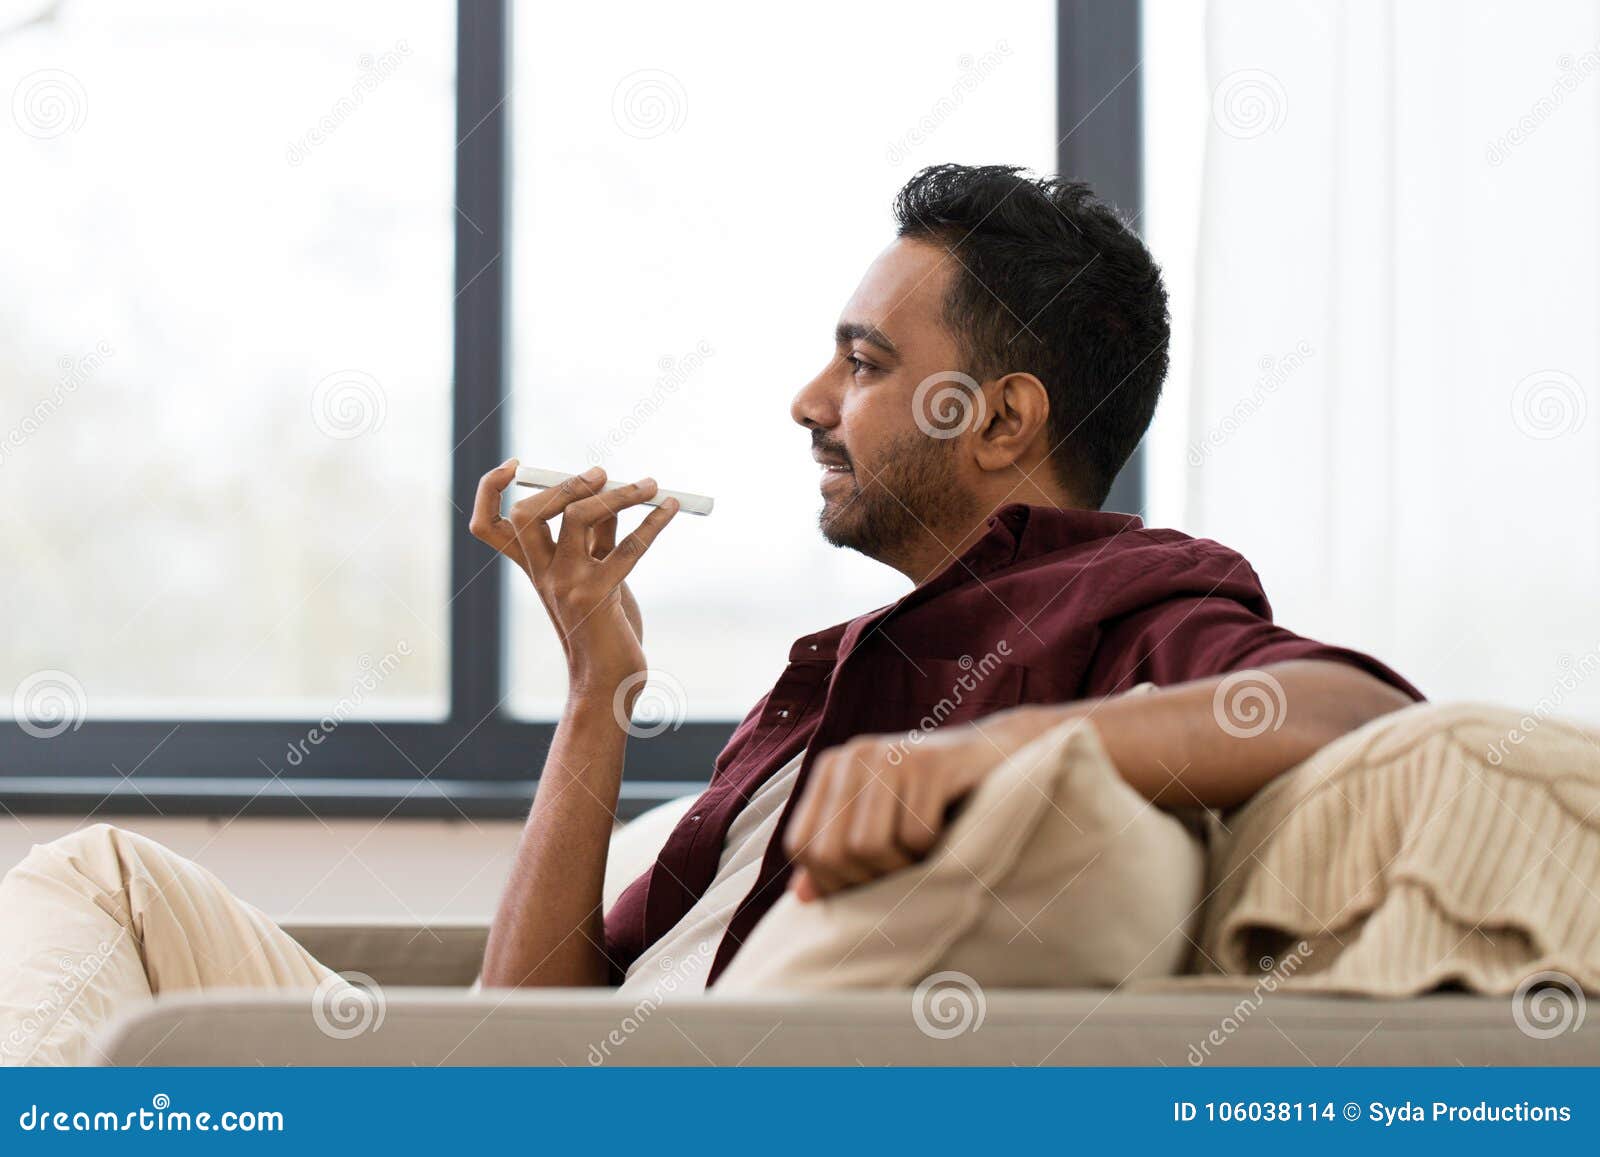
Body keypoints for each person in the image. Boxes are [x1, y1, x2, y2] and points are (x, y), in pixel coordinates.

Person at [0, 165, 1420, 1064]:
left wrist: (971, 757)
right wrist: (598, 687)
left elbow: (1359, 713)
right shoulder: (850, 674)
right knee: (106, 879)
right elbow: (526, 1018)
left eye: (861, 363)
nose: (811, 401)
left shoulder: (1121, 603)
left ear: (1001, 418)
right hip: (547, 1086)